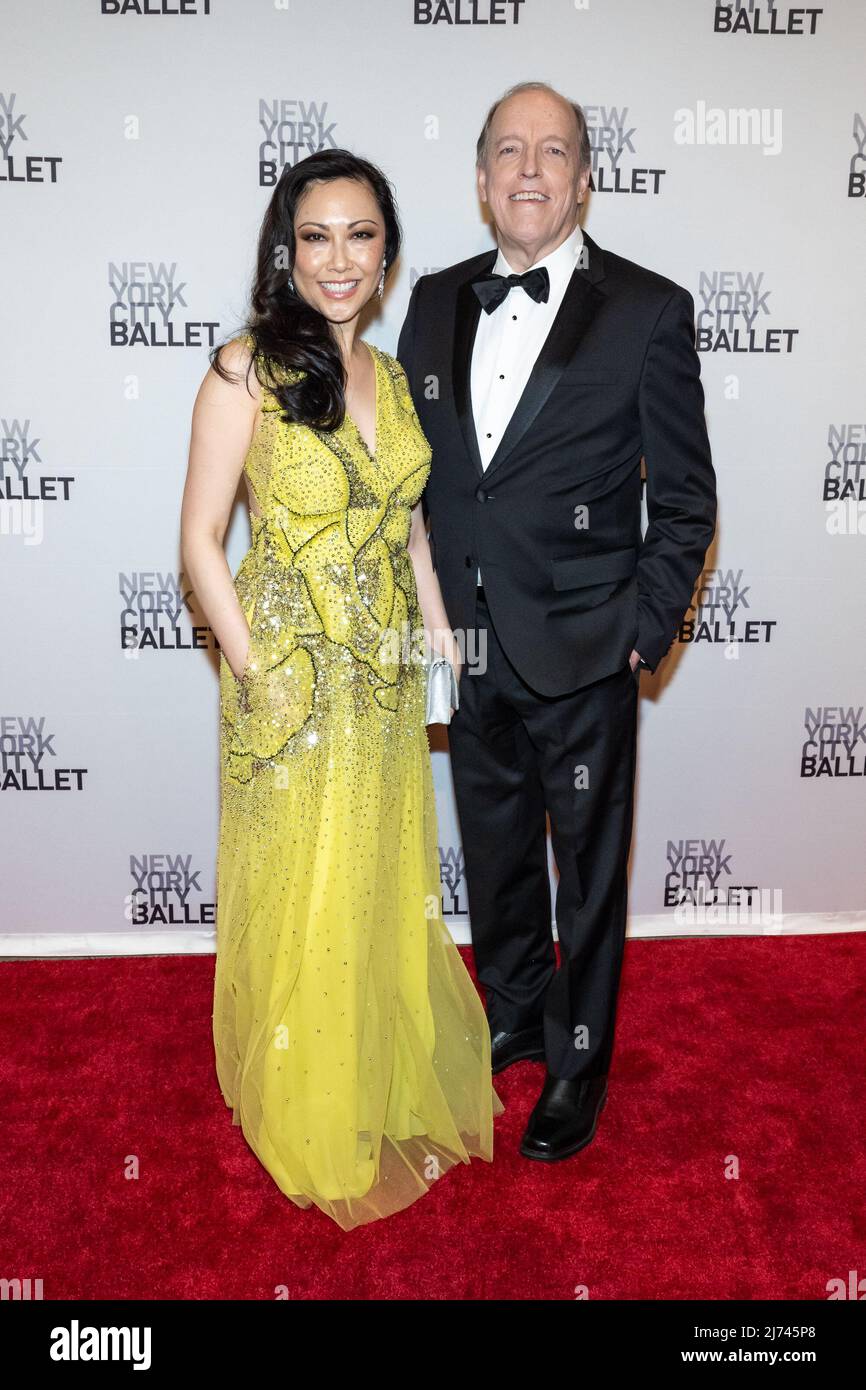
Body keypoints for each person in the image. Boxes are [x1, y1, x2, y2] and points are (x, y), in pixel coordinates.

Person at [180, 148, 503, 1231]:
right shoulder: (242, 372)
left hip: (378, 685)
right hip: (290, 683)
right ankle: (311, 1109)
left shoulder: (399, 379)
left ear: (387, 253)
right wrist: (256, 675)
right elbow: (197, 542)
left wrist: (446, 656)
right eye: (314, 235)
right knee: (305, 891)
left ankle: (371, 1079)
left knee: (373, 882)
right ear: (286, 250)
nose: (337, 258)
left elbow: (408, 525)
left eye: (359, 235)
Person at [397, 82, 716, 1163]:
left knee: (584, 875)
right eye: (506, 152)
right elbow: (419, 481)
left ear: (585, 179)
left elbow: (683, 499)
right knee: (491, 857)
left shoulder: (646, 309)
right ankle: (514, 1018)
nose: (527, 170)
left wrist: (641, 629)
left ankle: (576, 1069)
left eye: (552, 153)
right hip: (464, 645)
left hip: (584, 648)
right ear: (481, 179)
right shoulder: (434, 300)